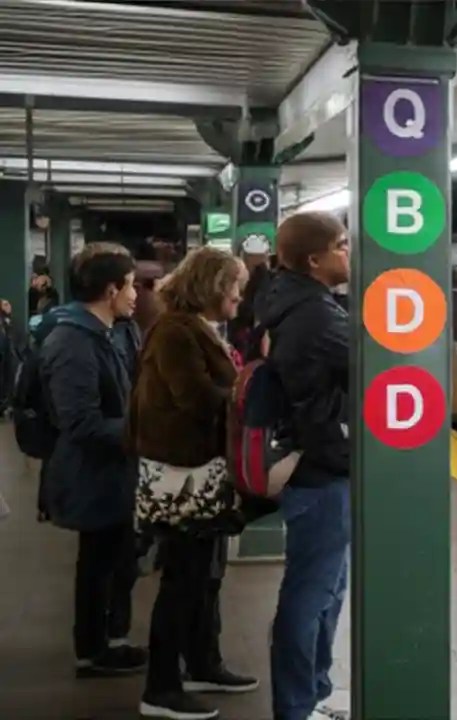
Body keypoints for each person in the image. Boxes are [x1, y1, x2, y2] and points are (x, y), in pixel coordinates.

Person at [129, 247, 256, 720]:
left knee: (206, 576)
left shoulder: (193, 327)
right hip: (183, 478)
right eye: (235, 286)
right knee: (183, 580)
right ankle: (161, 688)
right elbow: (195, 397)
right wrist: (248, 393)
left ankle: (203, 663)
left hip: (200, 473)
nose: (240, 297)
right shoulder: (174, 331)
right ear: (213, 287)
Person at [38, 242, 147, 677]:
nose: (136, 294)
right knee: (98, 563)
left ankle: (109, 640)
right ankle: (93, 648)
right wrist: (145, 434)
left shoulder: (104, 333)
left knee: (115, 559)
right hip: (91, 474)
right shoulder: (72, 342)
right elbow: (79, 421)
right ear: (110, 289)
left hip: (111, 471)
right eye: (131, 285)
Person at [259, 213, 351, 720]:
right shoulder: (317, 316)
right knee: (310, 594)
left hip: (314, 466)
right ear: (315, 259)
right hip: (320, 471)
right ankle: (296, 707)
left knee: (326, 591)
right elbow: (377, 366)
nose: (349, 254)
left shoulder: (293, 302)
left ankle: (311, 696)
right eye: (341, 246)